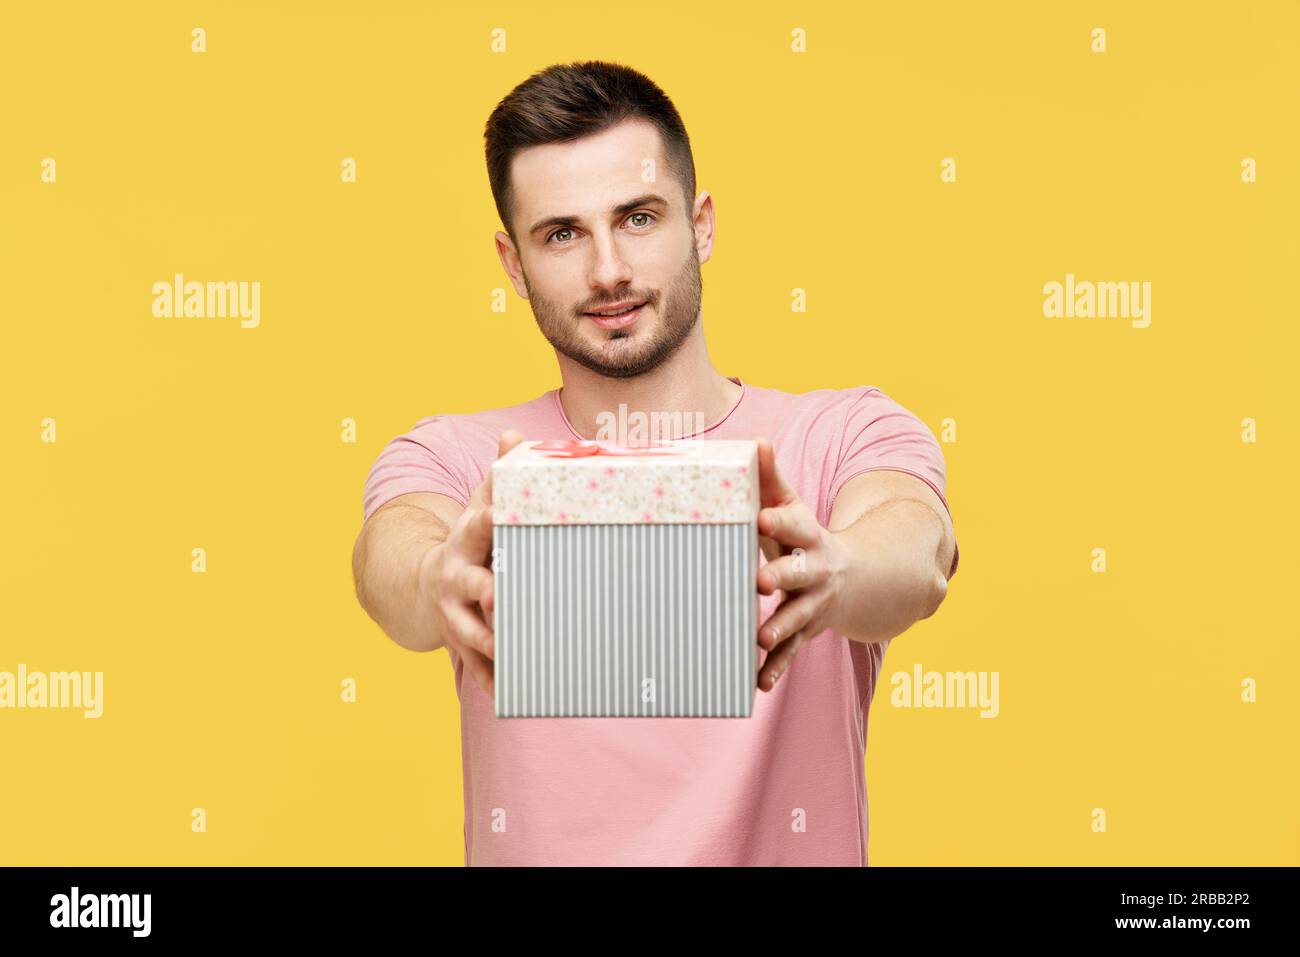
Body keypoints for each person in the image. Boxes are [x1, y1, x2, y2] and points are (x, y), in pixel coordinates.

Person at [351, 60, 959, 866]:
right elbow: (389, 556)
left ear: (701, 223)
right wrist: (438, 578)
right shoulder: (463, 460)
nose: (608, 270)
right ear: (512, 264)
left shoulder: (839, 435)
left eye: (637, 218)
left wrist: (834, 570)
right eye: (562, 233)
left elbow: (916, 551)